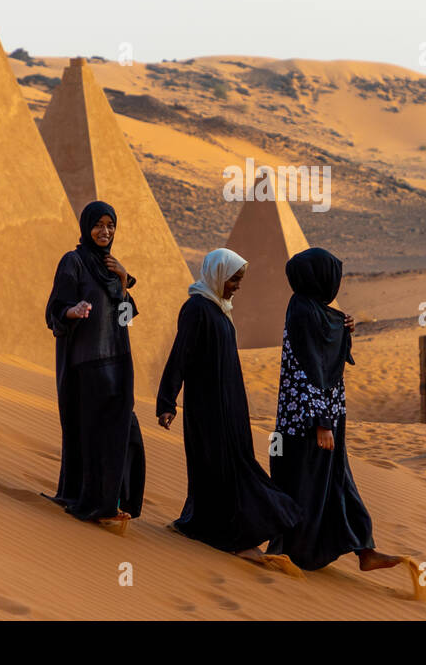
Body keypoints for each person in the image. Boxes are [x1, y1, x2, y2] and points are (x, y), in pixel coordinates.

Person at [156, 248, 302, 570]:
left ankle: (216, 529)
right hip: (207, 408)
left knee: (233, 465)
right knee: (221, 469)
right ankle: (236, 538)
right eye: (233, 279)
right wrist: (167, 401)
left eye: (239, 279)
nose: (237, 286)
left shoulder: (220, 310)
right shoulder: (196, 309)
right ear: (217, 275)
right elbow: (180, 355)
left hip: (230, 406)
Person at [267, 247, 403, 572]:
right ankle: (287, 551)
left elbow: (327, 346)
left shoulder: (313, 308)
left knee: (339, 481)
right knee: (302, 485)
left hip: (327, 415)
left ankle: (364, 548)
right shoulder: (301, 310)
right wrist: (321, 422)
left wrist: (345, 328)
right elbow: (309, 368)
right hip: (305, 421)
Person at [42, 200, 145, 533]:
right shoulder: (73, 262)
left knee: (123, 432)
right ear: (87, 227)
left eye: (111, 225)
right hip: (87, 365)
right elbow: (55, 311)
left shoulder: (112, 267)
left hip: (118, 361)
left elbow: (126, 319)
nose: (105, 231)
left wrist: (124, 280)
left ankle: (112, 501)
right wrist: (75, 311)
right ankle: (99, 504)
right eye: (99, 225)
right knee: (96, 435)